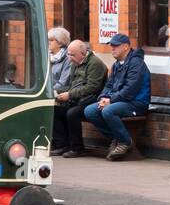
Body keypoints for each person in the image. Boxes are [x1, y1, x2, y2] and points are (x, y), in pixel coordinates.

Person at [85, 33, 151, 161]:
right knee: (90, 111)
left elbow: (130, 89)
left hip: (136, 103)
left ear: (126, 47)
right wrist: (103, 98)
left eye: (115, 46)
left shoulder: (136, 63)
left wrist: (110, 101)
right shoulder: (116, 65)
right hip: (119, 101)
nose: (112, 49)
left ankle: (125, 142)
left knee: (108, 111)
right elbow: (108, 85)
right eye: (111, 46)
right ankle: (117, 137)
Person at [52, 39, 108, 156]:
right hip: (77, 98)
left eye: (72, 55)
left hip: (92, 100)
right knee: (55, 110)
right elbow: (71, 85)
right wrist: (56, 92)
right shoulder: (75, 63)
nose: (69, 57)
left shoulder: (95, 64)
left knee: (72, 113)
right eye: (68, 54)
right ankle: (62, 144)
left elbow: (92, 88)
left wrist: (70, 95)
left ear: (82, 54)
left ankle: (78, 148)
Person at [48, 27, 72, 95]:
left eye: (51, 40)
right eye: (48, 40)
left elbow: (62, 83)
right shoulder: (47, 56)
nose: (48, 42)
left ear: (60, 43)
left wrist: (48, 92)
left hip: (57, 94)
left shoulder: (68, 59)